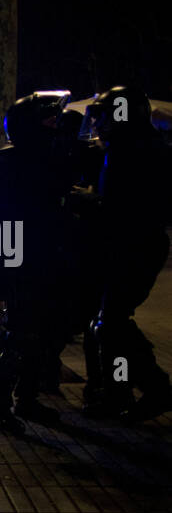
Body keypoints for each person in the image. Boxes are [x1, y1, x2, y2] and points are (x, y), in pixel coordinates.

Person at [0, 93, 77, 431]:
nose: (55, 127)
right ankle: (0, 404)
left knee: (45, 332)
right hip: (19, 263)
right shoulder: (3, 166)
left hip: (49, 259)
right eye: (48, 122)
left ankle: (28, 398)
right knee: (19, 334)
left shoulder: (47, 159)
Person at [83, 86, 172, 422]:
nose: (99, 125)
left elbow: (124, 206)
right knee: (113, 322)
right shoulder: (136, 146)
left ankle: (152, 387)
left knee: (112, 324)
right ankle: (119, 389)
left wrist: (88, 202)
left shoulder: (133, 151)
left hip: (135, 246)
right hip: (131, 244)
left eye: (104, 116)